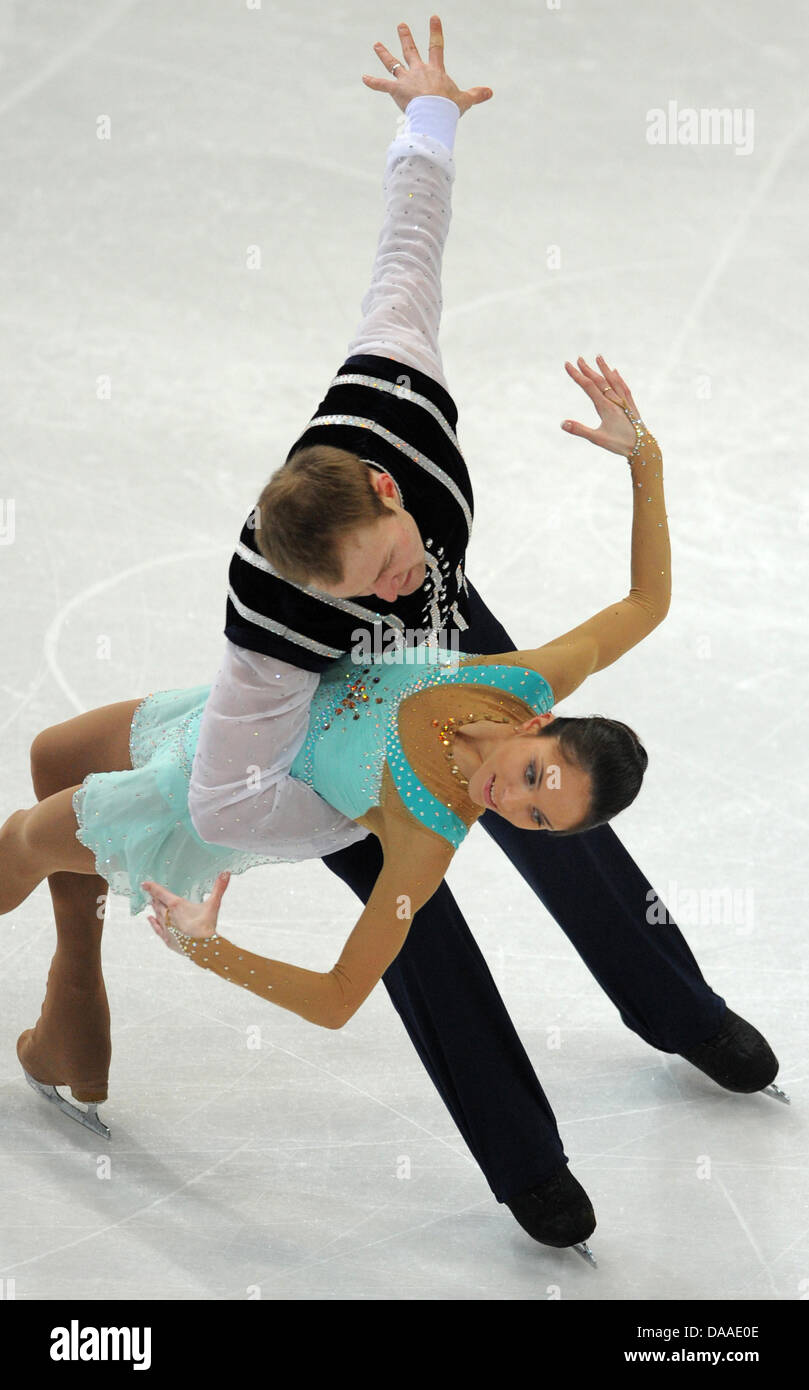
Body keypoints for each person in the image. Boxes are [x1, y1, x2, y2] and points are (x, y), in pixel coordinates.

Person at [13, 16, 780, 1256]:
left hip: (442, 641)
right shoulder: (271, 630)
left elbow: (403, 258)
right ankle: (526, 1161)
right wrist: (376, 821)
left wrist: (428, 118)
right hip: (328, 740)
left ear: (384, 489)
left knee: (554, 782)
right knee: (415, 914)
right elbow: (225, 793)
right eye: (362, 588)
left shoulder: (393, 402)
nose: (383, 585)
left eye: (386, 561)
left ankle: (674, 1004)